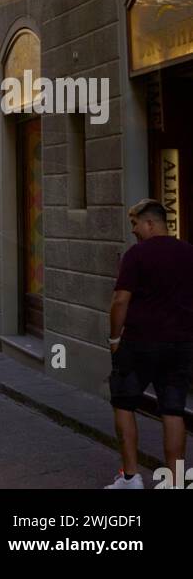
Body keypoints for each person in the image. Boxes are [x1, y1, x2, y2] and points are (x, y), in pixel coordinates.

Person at [104, 198, 193, 489]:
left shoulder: (136, 255)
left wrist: (114, 338)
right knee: (173, 410)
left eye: (135, 224)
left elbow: (120, 300)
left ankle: (130, 479)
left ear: (150, 223)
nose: (133, 230)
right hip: (180, 344)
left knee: (123, 403)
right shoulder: (188, 252)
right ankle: (175, 481)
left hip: (139, 342)